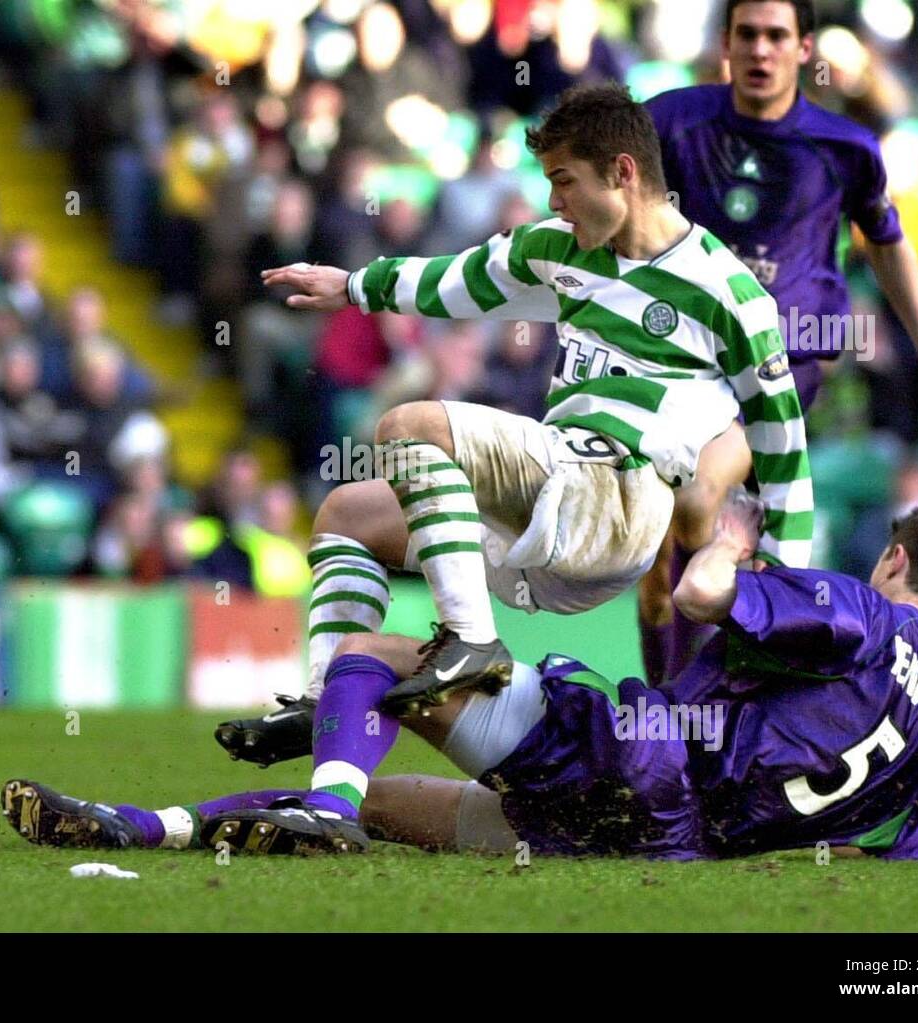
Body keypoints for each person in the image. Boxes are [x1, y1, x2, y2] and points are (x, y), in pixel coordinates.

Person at [217, 81, 812, 764]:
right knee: (347, 511)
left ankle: (471, 640)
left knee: (408, 424)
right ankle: (328, 704)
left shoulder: (729, 292)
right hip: (552, 518)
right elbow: (459, 280)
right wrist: (354, 286)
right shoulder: (558, 248)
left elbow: (782, 444)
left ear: (623, 172)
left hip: (620, 496)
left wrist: (786, 589)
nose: (554, 200)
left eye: (565, 180)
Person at [1, 490, 918, 860]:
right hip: (661, 847)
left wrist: (717, 550)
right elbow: (915, 852)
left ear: (898, 561)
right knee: (391, 802)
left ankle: (325, 753)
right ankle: (149, 827)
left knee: (375, 654)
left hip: (637, 763)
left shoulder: (867, 612)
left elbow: (709, 595)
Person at [638, 0, 918, 682]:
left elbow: (887, 243)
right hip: (679, 366)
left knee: (698, 498)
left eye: (776, 36)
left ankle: (691, 718)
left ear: (802, 48)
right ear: (726, 43)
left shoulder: (843, 146)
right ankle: (671, 710)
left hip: (783, 366)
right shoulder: (671, 123)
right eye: (748, 35)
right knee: (652, 574)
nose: (761, 51)